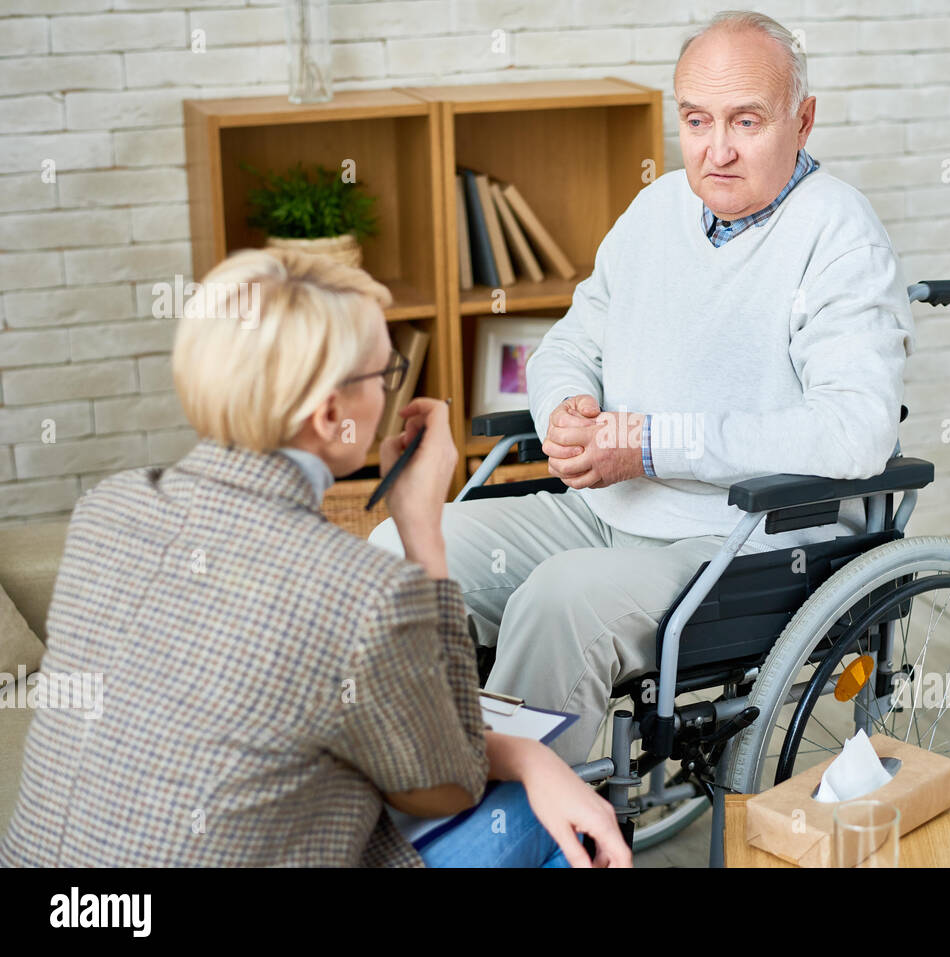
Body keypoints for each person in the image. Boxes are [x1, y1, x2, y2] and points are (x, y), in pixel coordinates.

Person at [369, 9, 917, 767]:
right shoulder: (656, 209)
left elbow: (856, 429)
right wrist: (564, 408)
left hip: (737, 545)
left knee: (560, 602)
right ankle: (413, 777)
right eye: (696, 120)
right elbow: (569, 340)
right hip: (602, 514)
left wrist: (655, 444)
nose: (716, 150)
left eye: (746, 121)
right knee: (396, 547)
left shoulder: (839, 235)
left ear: (804, 121)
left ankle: (508, 829)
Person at [0, 248, 631, 868]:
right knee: (565, 820)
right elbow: (444, 781)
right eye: (386, 375)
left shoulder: (109, 507)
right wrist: (423, 533)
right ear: (332, 415)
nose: (392, 392)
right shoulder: (359, 592)